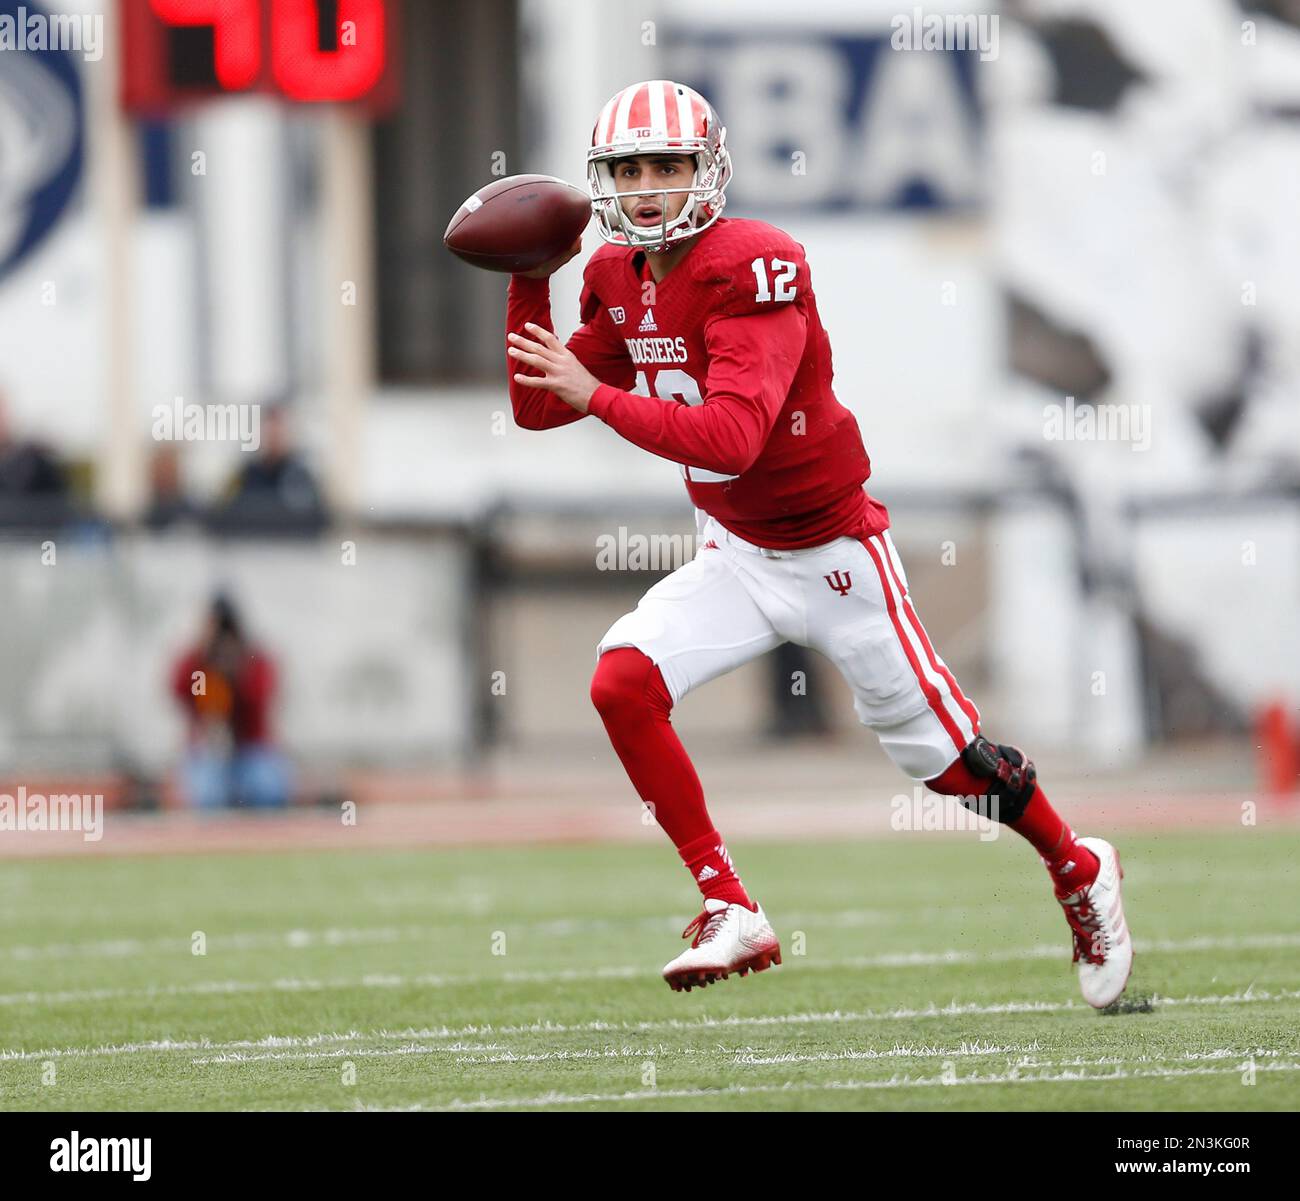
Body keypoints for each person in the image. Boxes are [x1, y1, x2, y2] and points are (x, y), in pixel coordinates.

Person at [504, 80, 1133, 1004]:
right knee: (622, 682)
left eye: (666, 166)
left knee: (956, 771)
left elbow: (731, 436)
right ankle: (730, 905)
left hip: (835, 554)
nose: (644, 188)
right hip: (735, 550)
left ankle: (1077, 866)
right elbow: (532, 404)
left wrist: (596, 394)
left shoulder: (754, 265)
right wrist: (527, 275)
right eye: (629, 169)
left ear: (706, 170)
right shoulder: (610, 274)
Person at [171, 594, 291, 808]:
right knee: (207, 797)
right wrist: (203, 658)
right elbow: (178, 690)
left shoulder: (255, 659)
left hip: (251, 748)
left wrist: (238, 671)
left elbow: (260, 698)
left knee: (268, 791)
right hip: (207, 749)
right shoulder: (198, 662)